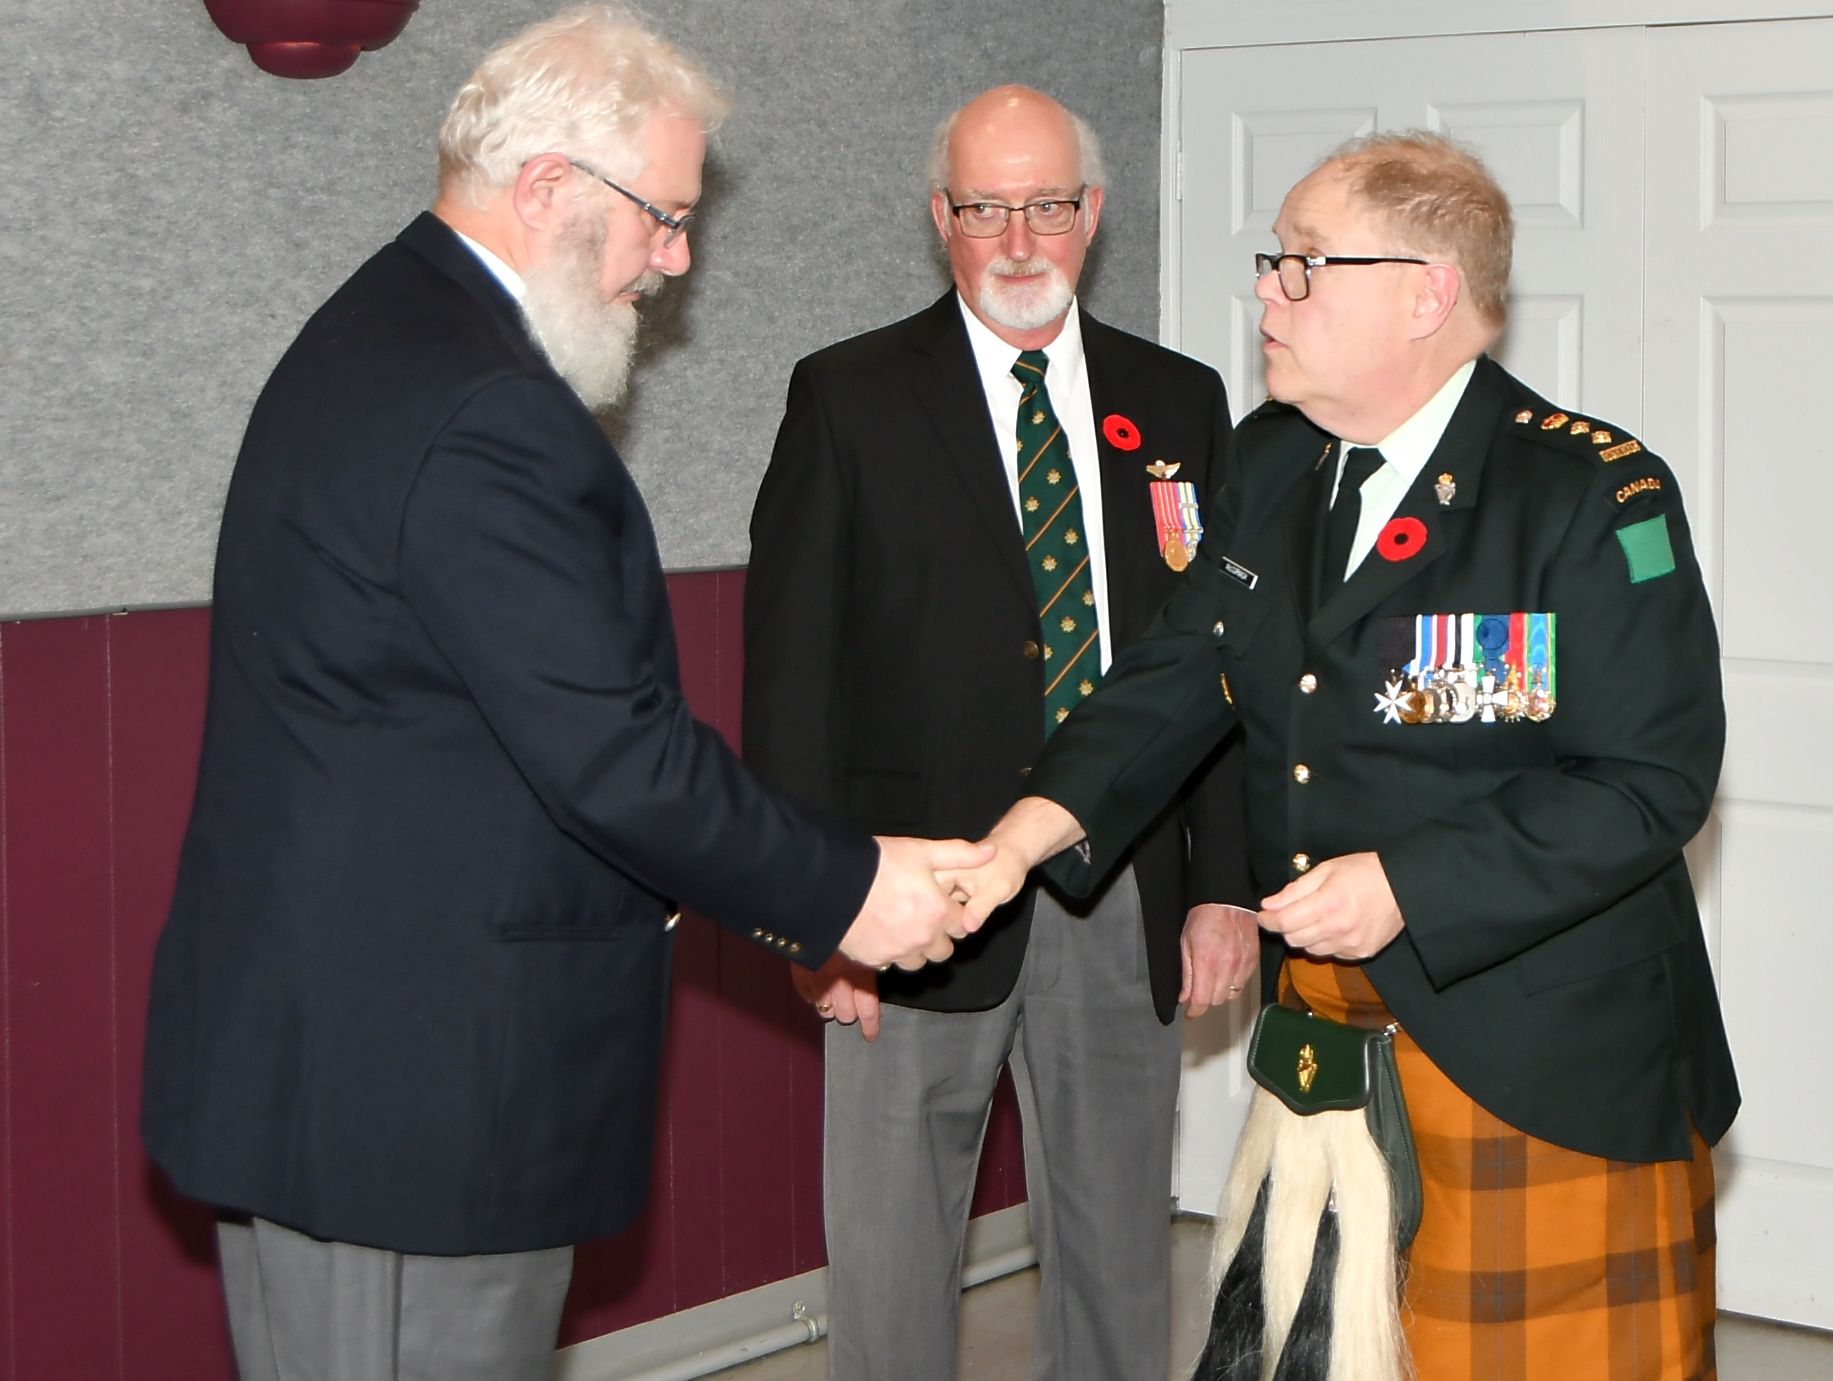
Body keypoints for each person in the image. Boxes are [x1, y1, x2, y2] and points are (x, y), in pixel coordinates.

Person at [139, 8, 986, 1380]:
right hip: (409, 1091)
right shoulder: (483, 405)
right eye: (663, 216)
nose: (676, 257)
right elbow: (612, 754)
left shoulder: (392, 326)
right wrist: (848, 888)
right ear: (544, 187)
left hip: (351, 1058)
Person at [961, 131, 1739, 1379]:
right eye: (1272, 261)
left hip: (1540, 1057)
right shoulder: (1273, 461)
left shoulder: (1587, 493)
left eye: (1305, 264)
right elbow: (1175, 675)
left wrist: (1404, 883)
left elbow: (1648, 783)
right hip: (1332, 1031)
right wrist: (1016, 842)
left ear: (1426, 293)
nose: (1268, 293)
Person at [742, 86, 1257, 1381]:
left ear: (1092, 212)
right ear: (940, 218)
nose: (1017, 240)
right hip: (911, 896)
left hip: (1118, 880)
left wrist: (1221, 885)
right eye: (984, 209)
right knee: (890, 1257)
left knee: (1117, 1252)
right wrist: (815, 906)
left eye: (1045, 206)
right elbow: (790, 677)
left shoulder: (1179, 401)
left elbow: (1213, 665)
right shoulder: (848, 396)